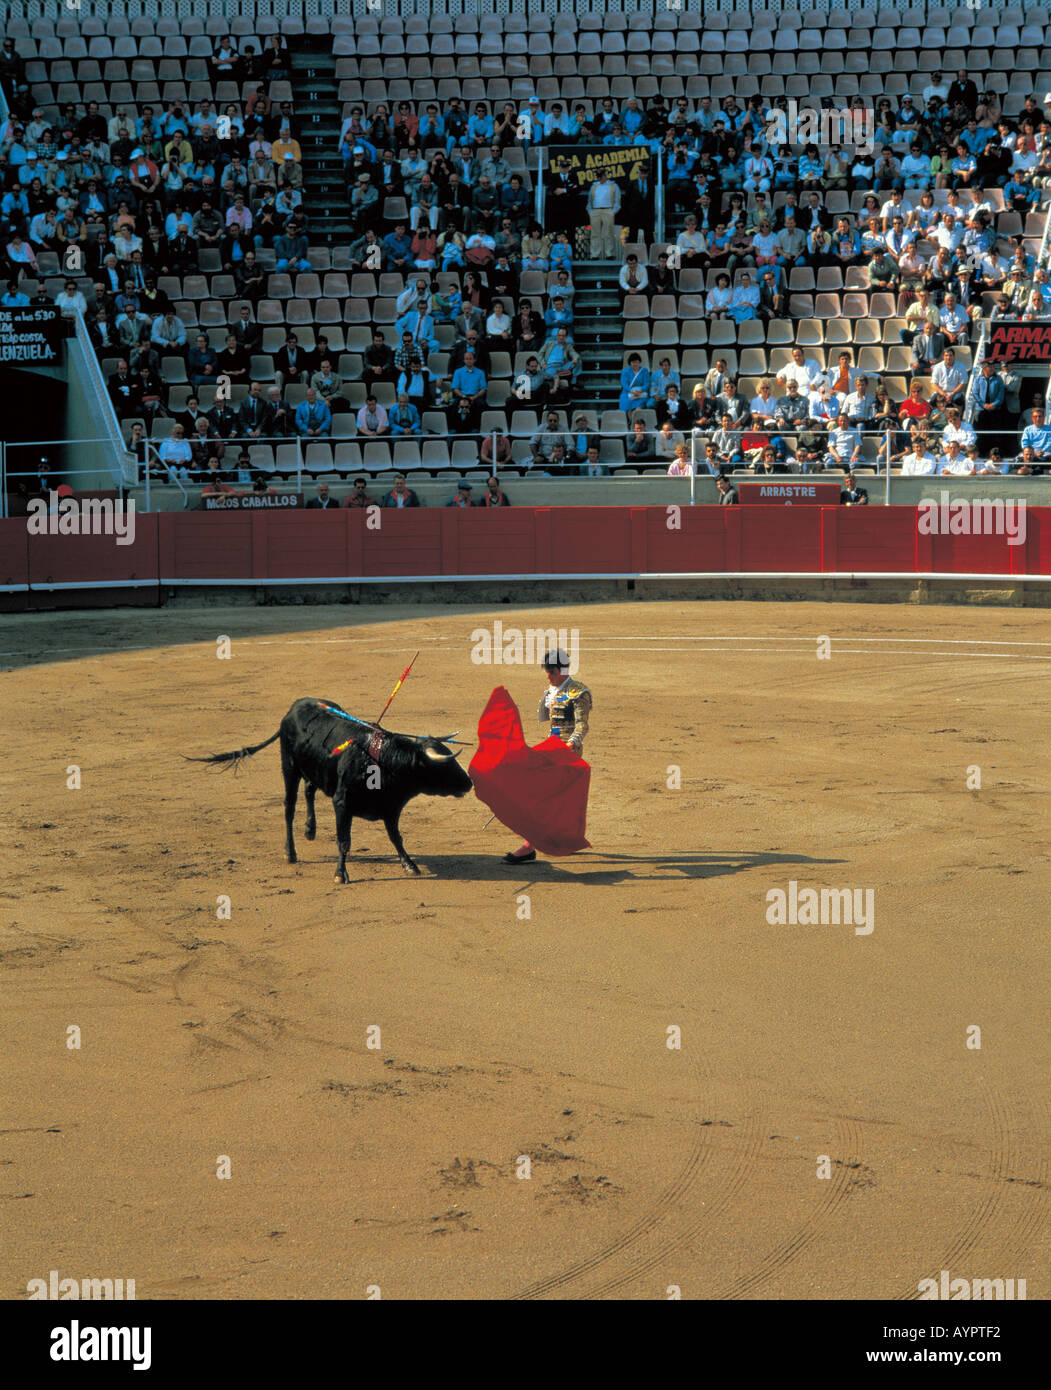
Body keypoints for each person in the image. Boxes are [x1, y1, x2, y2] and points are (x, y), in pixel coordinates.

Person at [503, 648, 593, 865]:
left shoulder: (579, 692)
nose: (548, 676)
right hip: (552, 748)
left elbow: (582, 726)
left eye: (551, 672)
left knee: (541, 796)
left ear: (561, 670)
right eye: (547, 671)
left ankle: (529, 846)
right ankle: (564, 840)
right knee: (558, 799)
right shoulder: (553, 690)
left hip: (567, 753)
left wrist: (572, 743)